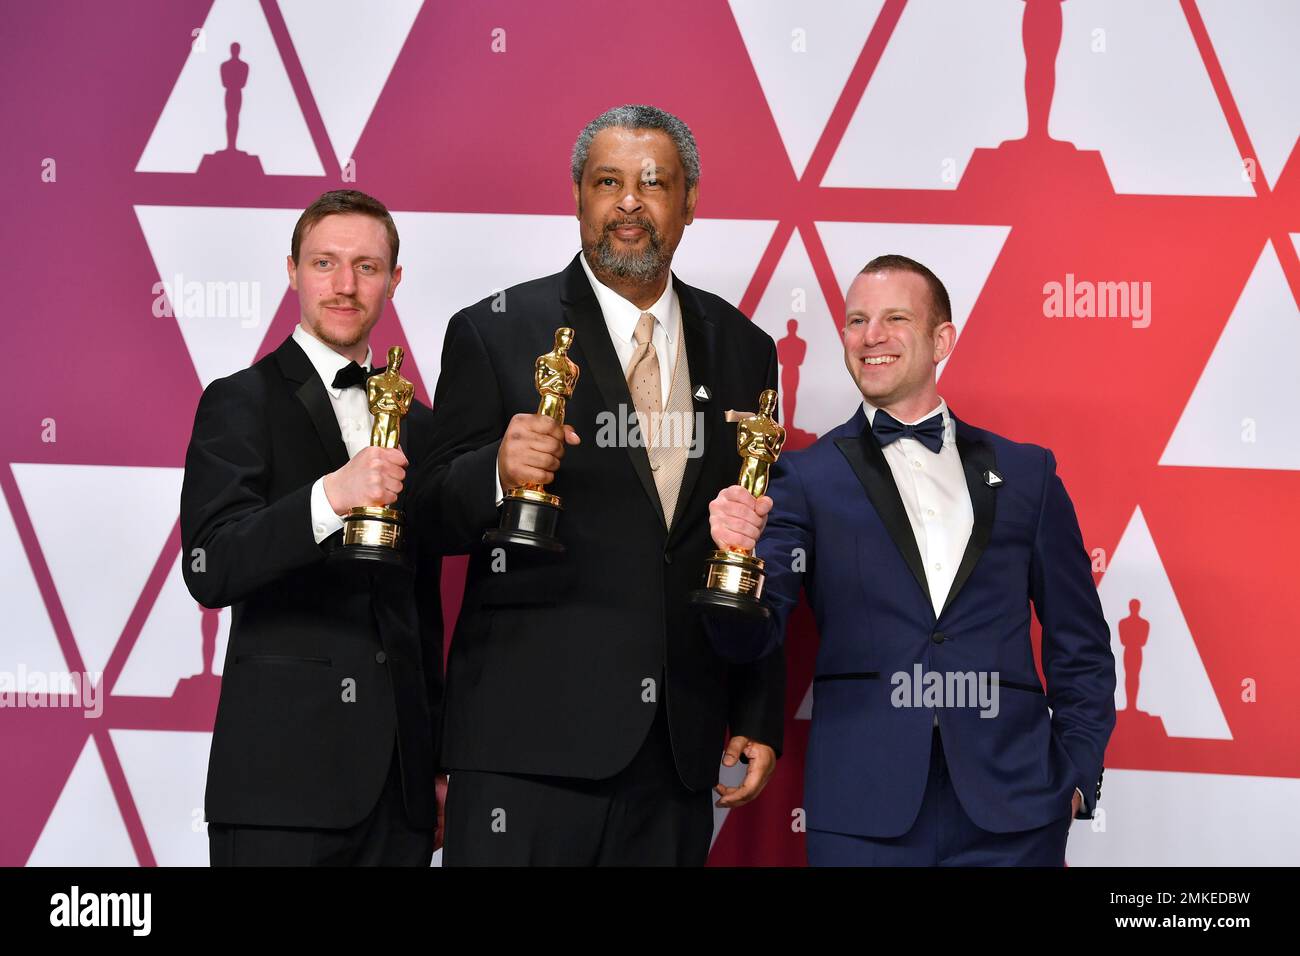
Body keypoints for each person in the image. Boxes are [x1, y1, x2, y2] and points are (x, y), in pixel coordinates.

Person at [428, 104, 785, 866]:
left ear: (689, 202)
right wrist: (495, 469)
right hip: (525, 753)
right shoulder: (494, 329)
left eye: (654, 183)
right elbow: (427, 515)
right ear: (577, 196)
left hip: (677, 754)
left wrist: (755, 706)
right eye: (608, 182)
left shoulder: (745, 349)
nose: (630, 202)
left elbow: (754, 537)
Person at [705, 254, 1115, 866]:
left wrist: (1078, 771)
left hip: (1017, 812)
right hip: (863, 814)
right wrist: (734, 562)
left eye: (895, 318)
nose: (871, 336)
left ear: (941, 339)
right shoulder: (803, 477)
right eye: (856, 320)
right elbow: (752, 640)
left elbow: (1080, 640)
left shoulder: (1030, 474)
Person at [180, 189, 445, 865]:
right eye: (325, 263)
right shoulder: (239, 400)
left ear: (394, 280)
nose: (345, 285)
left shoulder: (419, 422)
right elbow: (213, 565)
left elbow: (423, 609)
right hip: (280, 790)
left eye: (366, 266)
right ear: (292, 270)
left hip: (401, 795)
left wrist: (436, 762)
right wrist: (330, 498)